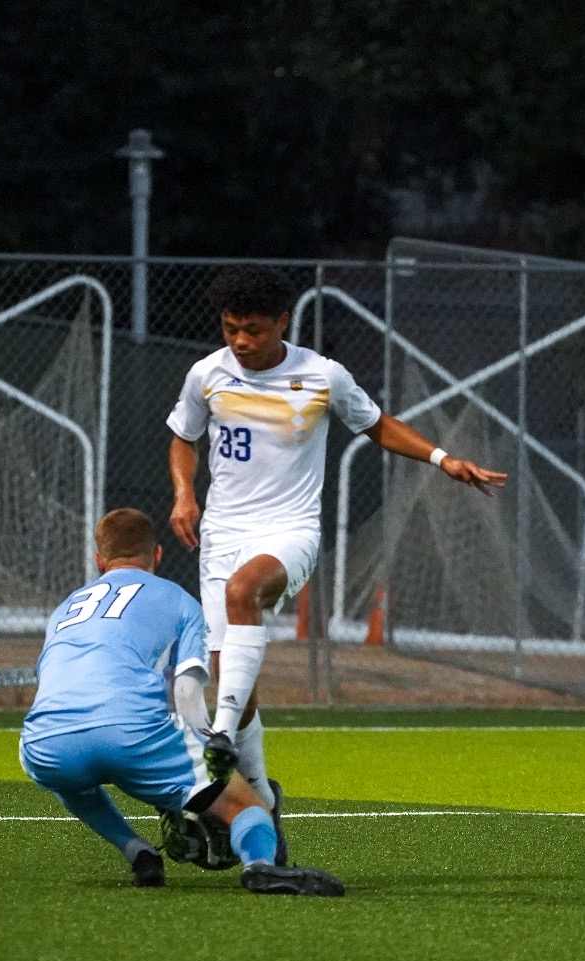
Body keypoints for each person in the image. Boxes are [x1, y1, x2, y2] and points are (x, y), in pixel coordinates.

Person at [167, 266, 505, 859]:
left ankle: (217, 735)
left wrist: (442, 457)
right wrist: (184, 494)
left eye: (251, 329)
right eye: (229, 329)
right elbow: (182, 437)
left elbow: (377, 426)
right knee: (235, 685)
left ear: (281, 323)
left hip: (289, 531)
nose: (239, 342)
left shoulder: (322, 376)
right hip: (221, 535)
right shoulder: (207, 374)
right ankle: (263, 806)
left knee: (246, 594)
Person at [19, 507, 344, 896]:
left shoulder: (64, 609)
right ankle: (260, 864)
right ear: (157, 555)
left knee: (68, 778)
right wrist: (208, 749)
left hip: (45, 741)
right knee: (249, 806)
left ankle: (137, 851)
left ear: (99, 560)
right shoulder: (177, 599)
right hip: (131, 733)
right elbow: (187, 690)